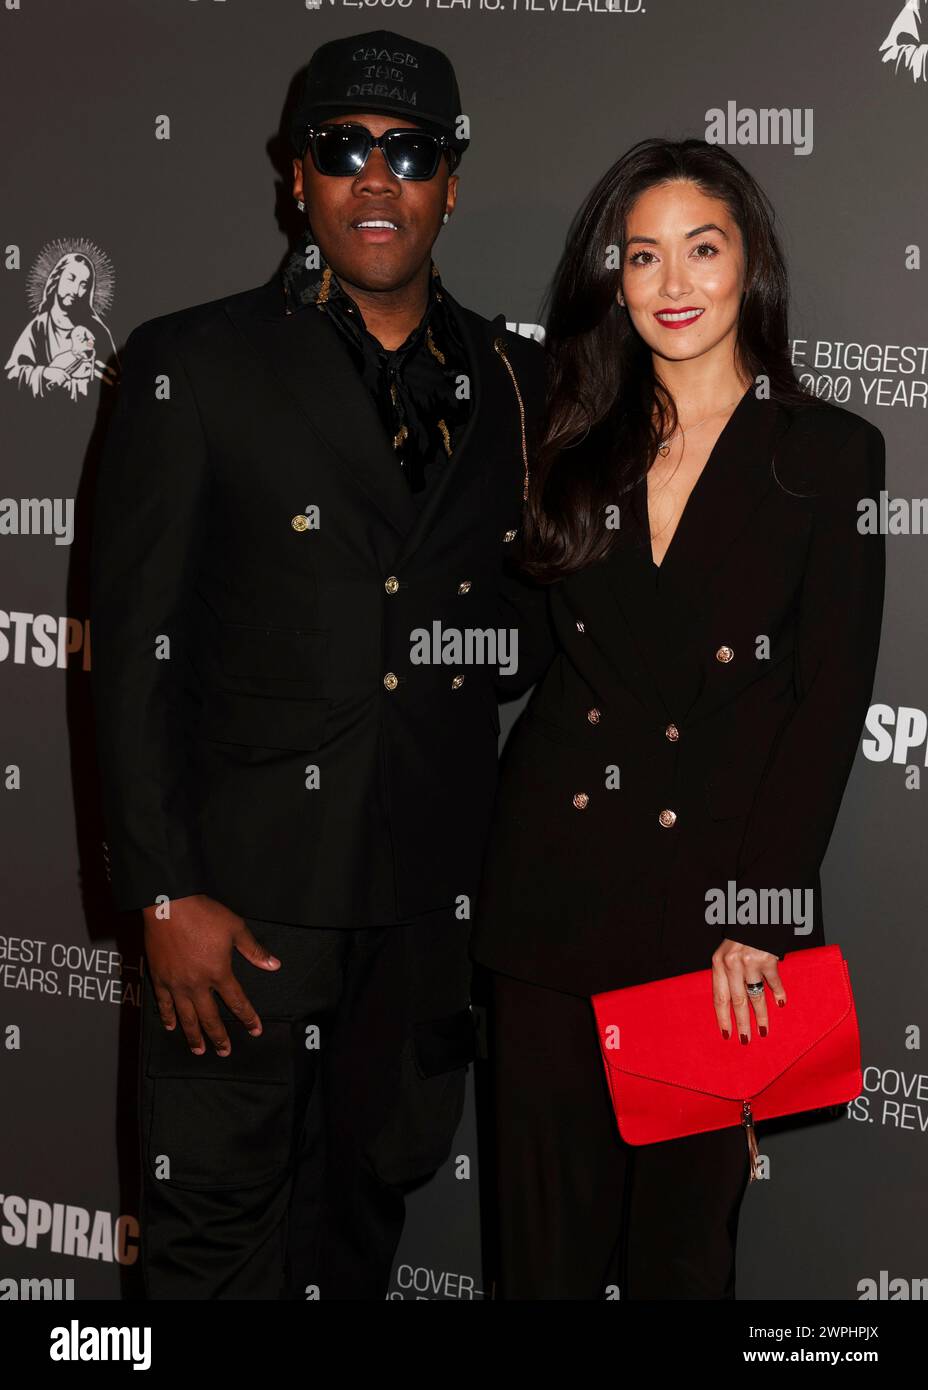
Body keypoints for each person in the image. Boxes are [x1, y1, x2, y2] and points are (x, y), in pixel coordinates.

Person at [89, 29, 552, 1300]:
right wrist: (164, 894)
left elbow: (524, 624)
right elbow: (132, 654)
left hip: (424, 920)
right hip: (239, 915)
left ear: (450, 180)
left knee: (356, 1232)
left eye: (411, 151)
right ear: (296, 175)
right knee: (209, 1247)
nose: (375, 178)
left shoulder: (518, 380)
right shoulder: (192, 362)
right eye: (342, 149)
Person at [471, 137, 886, 1300]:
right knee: (541, 1261)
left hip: (715, 929)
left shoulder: (829, 453)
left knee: (680, 1261)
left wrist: (760, 912)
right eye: (641, 255)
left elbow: (826, 703)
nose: (671, 282)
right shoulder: (567, 436)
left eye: (700, 248)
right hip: (550, 901)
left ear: (750, 262)